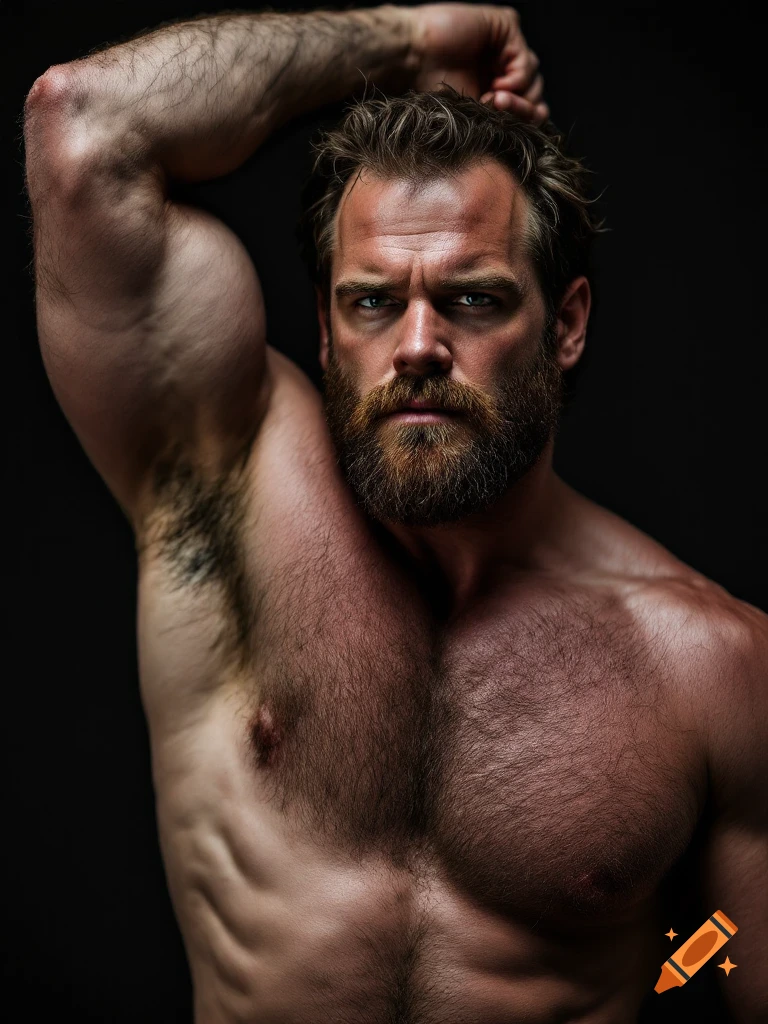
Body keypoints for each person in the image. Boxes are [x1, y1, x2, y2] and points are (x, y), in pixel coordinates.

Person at [23, 3, 767, 1021]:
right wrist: (409, 43)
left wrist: (681, 959)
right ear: (326, 333)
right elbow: (83, 124)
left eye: (473, 300)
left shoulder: (713, 669)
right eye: (372, 301)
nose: (417, 344)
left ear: (568, 325)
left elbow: (737, 965)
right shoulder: (226, 486)